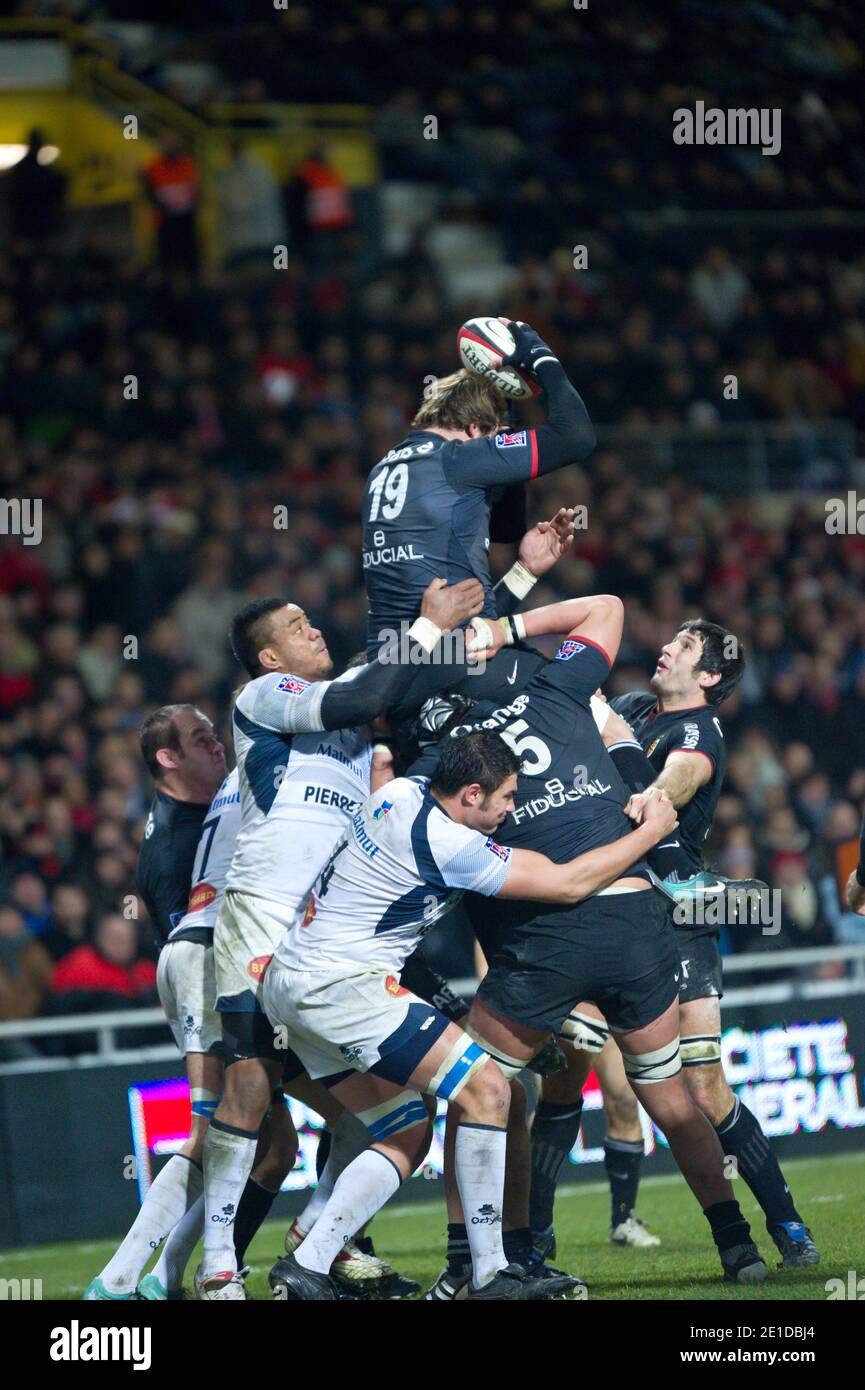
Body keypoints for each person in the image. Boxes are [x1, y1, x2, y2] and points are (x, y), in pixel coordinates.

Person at [416, 594, 768, 1290]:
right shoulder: (559, 689)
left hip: (542, 939)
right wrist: (509, 623)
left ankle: (481, 1257)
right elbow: (605, 607)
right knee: (667, 1095)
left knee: (480, 1090)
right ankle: (739, 1247)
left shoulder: (447, 759)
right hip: (635, 925)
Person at [261, 728, 679, 1301]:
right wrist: (652, 831)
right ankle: (488, 1276)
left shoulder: (403, 792)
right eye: (506, 797)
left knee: (404, 1131)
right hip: (343, 986)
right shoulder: (446, 842)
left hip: (289, 984)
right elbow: (566, 884)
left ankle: (308, 1263)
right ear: (472, 793)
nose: (511, 810)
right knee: (488, 1089)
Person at [195, 576, 485, 1298]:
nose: (314, 629)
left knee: (394, 1106)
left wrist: (514, 579)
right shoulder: (261, 700)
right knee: (251, 1085)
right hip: (260, 911)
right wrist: (426, 624)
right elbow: (367, 690)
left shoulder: (354, 704)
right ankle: (216, 1267)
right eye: (296, 627)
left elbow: (389, 678)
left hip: (326, 941)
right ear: (267, 659)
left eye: (311, 620)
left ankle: (315, 1243)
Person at [598, 621, 819, 1269]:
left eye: (685, 648)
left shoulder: (696, 736)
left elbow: (660, 797)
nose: (665, 647)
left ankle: (785, 1225)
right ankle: (531, 1251)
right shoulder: (635, 708)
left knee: (702, 1089)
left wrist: (615, 745)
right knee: (641, 1091)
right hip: (615, 913)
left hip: (677, 918)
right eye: (670, 639)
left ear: (708, 677)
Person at [362, 318, 595, 715]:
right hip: (456, 665)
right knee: (583, 699)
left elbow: (503, 532)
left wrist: (525, 571)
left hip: (395, 671)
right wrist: (538, 353)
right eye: (495, 437)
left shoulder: (383, 467)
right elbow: (577, 436)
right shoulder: (458, 458)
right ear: (473, 429)